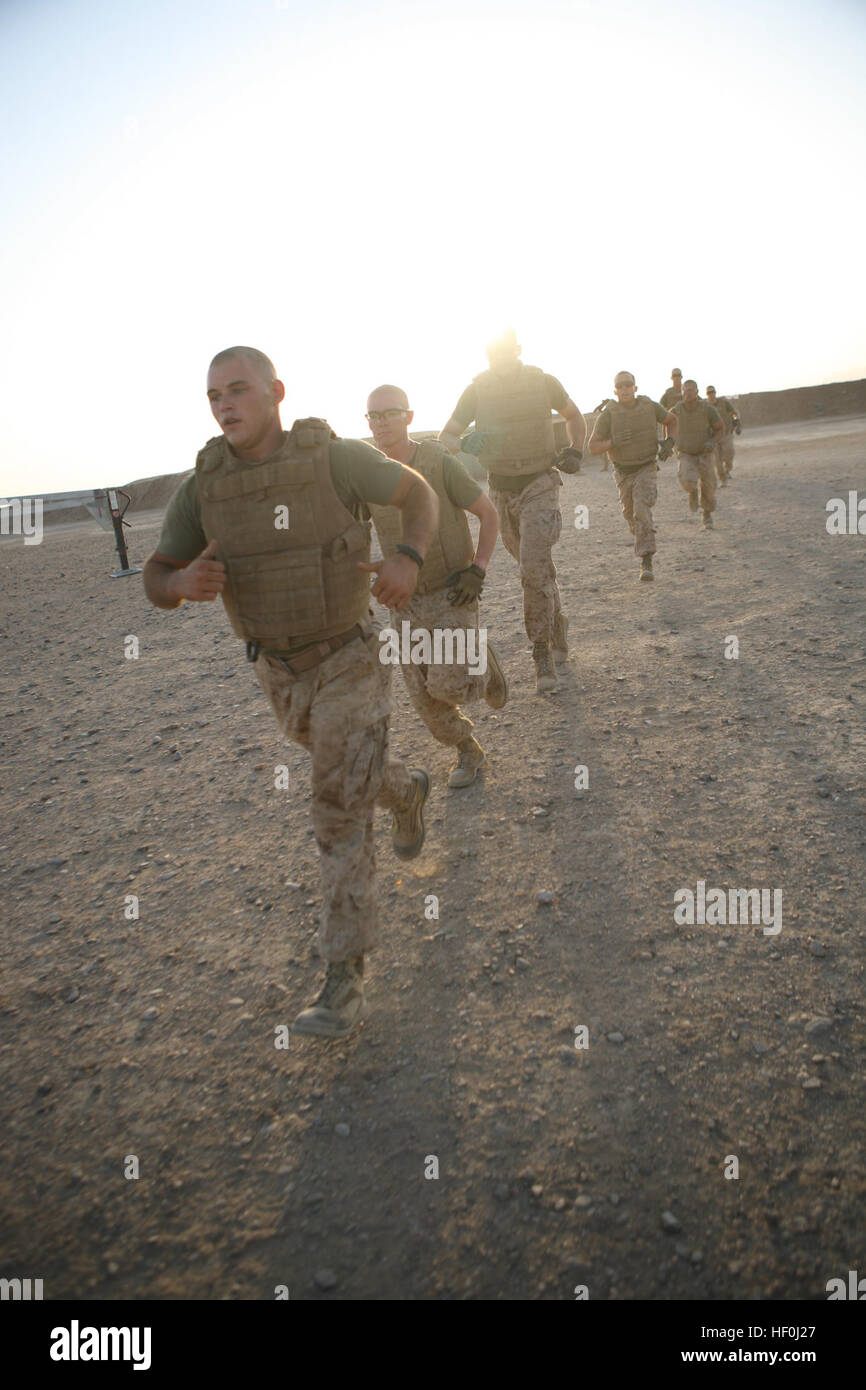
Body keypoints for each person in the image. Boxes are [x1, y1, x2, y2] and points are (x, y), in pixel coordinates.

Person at [142, 346, 439, 1040]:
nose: (224, 405)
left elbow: (417, 492)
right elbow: (157, 571)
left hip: (349, 658)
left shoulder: (332, 457)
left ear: (275, 391)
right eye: (214, 395)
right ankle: (406, 788)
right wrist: (178, 587)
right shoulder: (204, 486)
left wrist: (409, 556)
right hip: (277, 673)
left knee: (335, 805)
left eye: (238, 390)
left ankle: (345, 978)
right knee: (352, 776)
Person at [364, 385, 508, 788]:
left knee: (449, 684)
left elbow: (487, 513)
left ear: (408, 417)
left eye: (389, 413)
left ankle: (481, 663)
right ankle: (469, 750)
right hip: (405, 600)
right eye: (373, 416)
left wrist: (477, 570)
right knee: (426, 703)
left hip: (453, 591)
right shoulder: (369, 476)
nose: (380, 423)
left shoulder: (437, 461)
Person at [438, 329, 586, 694]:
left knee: (532, 569)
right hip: (501, 489)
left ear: (517, 350)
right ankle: (556, 624)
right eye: (493, 352)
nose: (499, 358)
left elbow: (574, 416)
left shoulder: (543, 382)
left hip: (540, 482)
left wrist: (576, 449)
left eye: (505, 351)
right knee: (535, 568)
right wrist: (465, 443)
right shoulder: (477, 389)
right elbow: (446, 437)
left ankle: (541, 654)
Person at [588, 372, 677, 581]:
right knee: (630, 515)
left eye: (628, 385)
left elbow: (672, 420)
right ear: (615, 390)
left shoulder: (649, 407)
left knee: (640, 508)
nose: (624, 389)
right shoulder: (609, 414)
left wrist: (669, 441)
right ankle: (642, 539)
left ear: (635, 388)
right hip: (622, 472)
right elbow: (593, 447)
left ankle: (646, 560)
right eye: (620, 386)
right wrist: (614, 441)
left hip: (646, 467)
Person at [670, 379, 724, 529]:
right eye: (684, 390)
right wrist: (669, 442)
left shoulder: (707, 409)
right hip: (685, 453)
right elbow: (667, 421)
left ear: (697, 392)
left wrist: (712, 442)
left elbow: (720, 428)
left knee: (709, 487)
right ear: (681, 393)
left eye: (691, 390)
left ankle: (707, 514)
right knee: (687, 479)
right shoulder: (677, 410)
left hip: (704, 453)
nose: (687, 393)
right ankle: (692, 491)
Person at [706, 385, 741, 484]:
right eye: (709, 393)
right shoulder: (706, 406)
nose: (711, 394)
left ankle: (728, 470)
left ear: (715, 393)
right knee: (717, 460)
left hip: (726, 434)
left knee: (729, 453)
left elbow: (735, 412)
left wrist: (737, 421)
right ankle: (723, 479)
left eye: (712, 392)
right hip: (713, 436)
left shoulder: (723, 403)